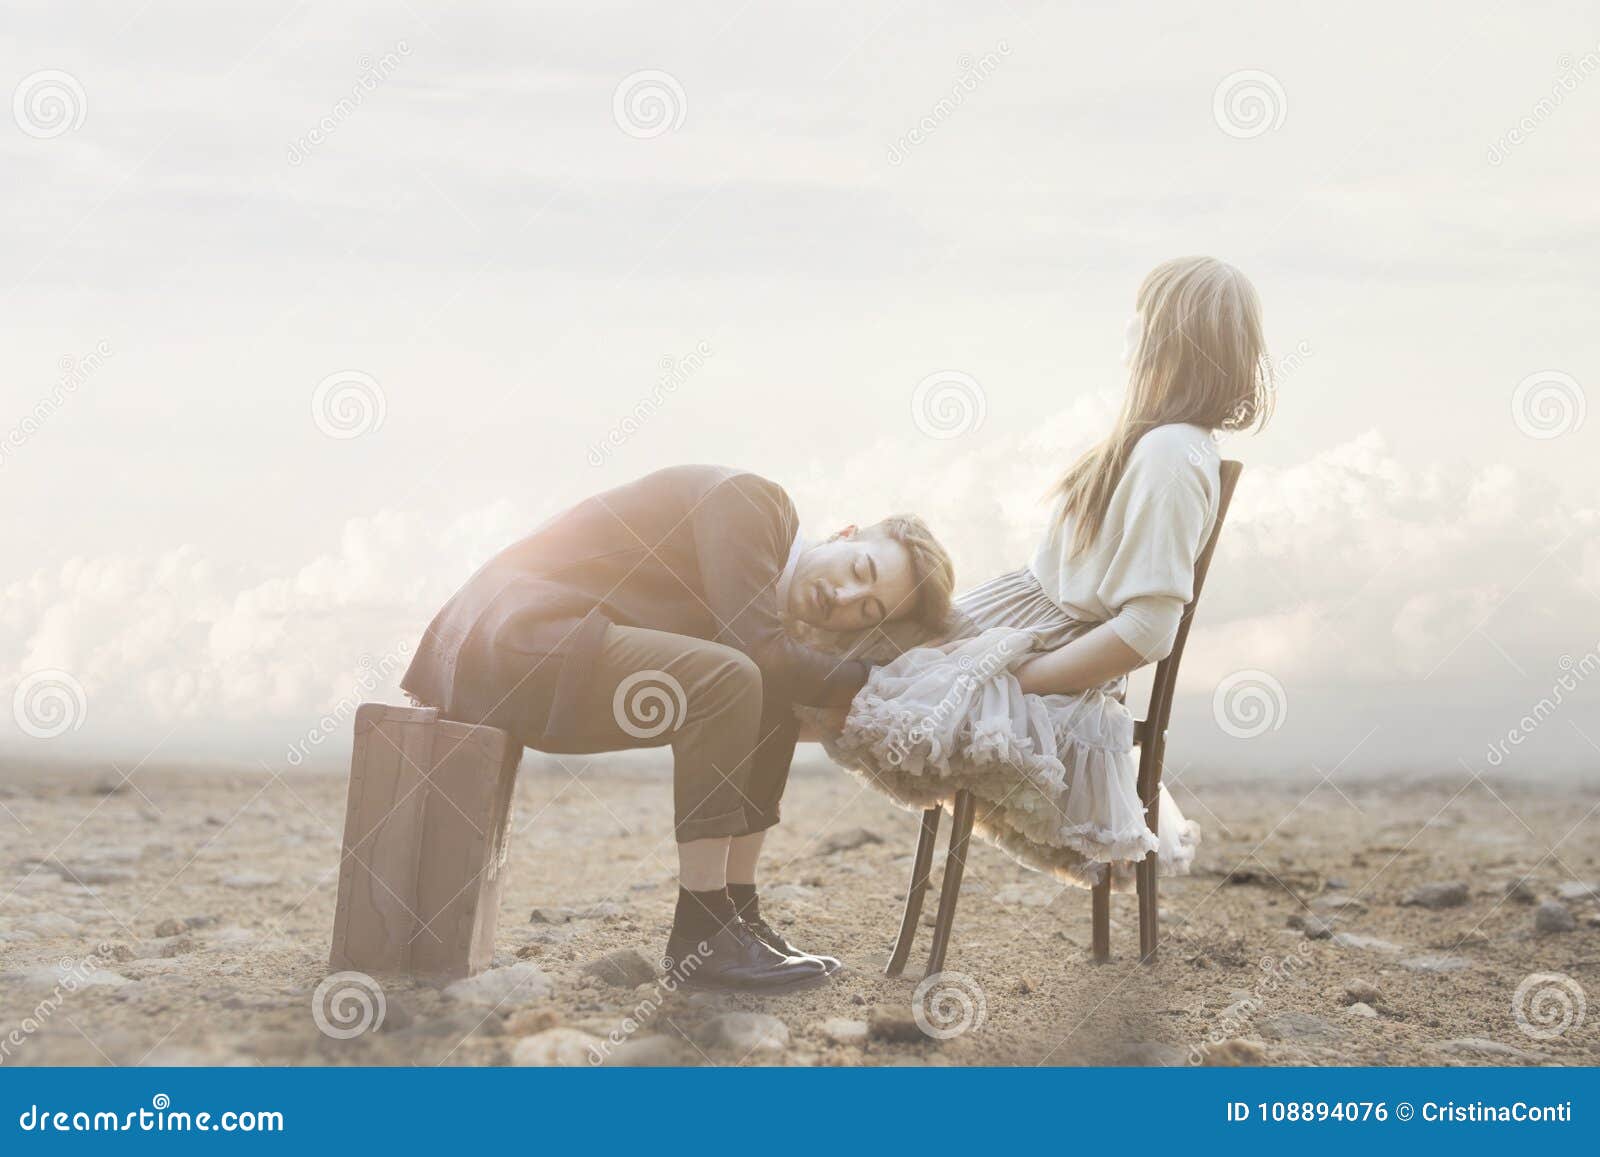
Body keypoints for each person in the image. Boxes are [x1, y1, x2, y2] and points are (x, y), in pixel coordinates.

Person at [401, 464, 955, 990]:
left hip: (543, 652)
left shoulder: (760, 598)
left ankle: (737, 911)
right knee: (738, 674)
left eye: (867, 612)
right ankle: (704, 930)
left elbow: (774, 672)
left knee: (765, 689)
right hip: (509, 639)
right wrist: (884, 680)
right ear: (845, 533)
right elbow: (763, 659)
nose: (846, 598)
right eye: (860, 570)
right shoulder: (755, 503)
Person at [815, 256, 1274, 888]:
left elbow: (1149, 628)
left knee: (811, 683)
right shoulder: (1151, 443)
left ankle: (724, 895)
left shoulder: (1171, 455)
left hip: (1041, 662)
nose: (1128, 334)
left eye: (1139, 319)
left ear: (1165, 340)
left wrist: (1019, 683)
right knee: (819, 658)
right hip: (1008, 632)